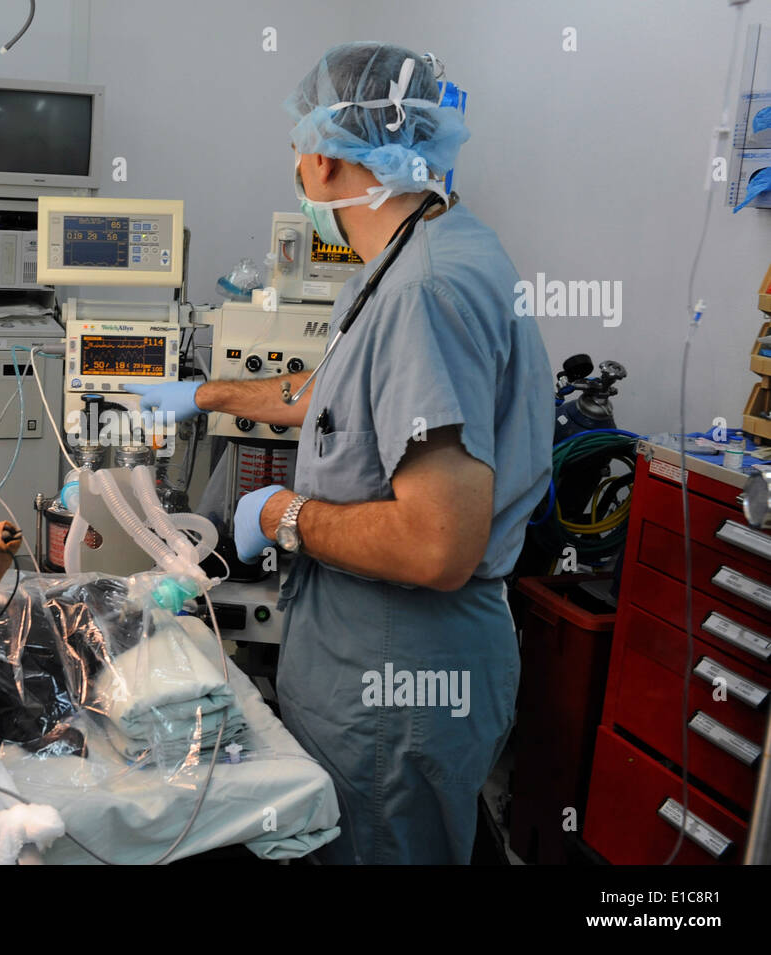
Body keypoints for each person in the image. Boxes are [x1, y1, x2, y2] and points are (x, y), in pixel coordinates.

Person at [126, 42, 552, 863]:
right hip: (368, 663)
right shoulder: (420, 252)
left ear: (323, 155)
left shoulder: (425, 292)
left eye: (296, 144)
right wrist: (208, 395)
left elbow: (439, 543)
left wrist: (281, 514)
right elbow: (341, 392)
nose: (295, 161)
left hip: (399, 678)